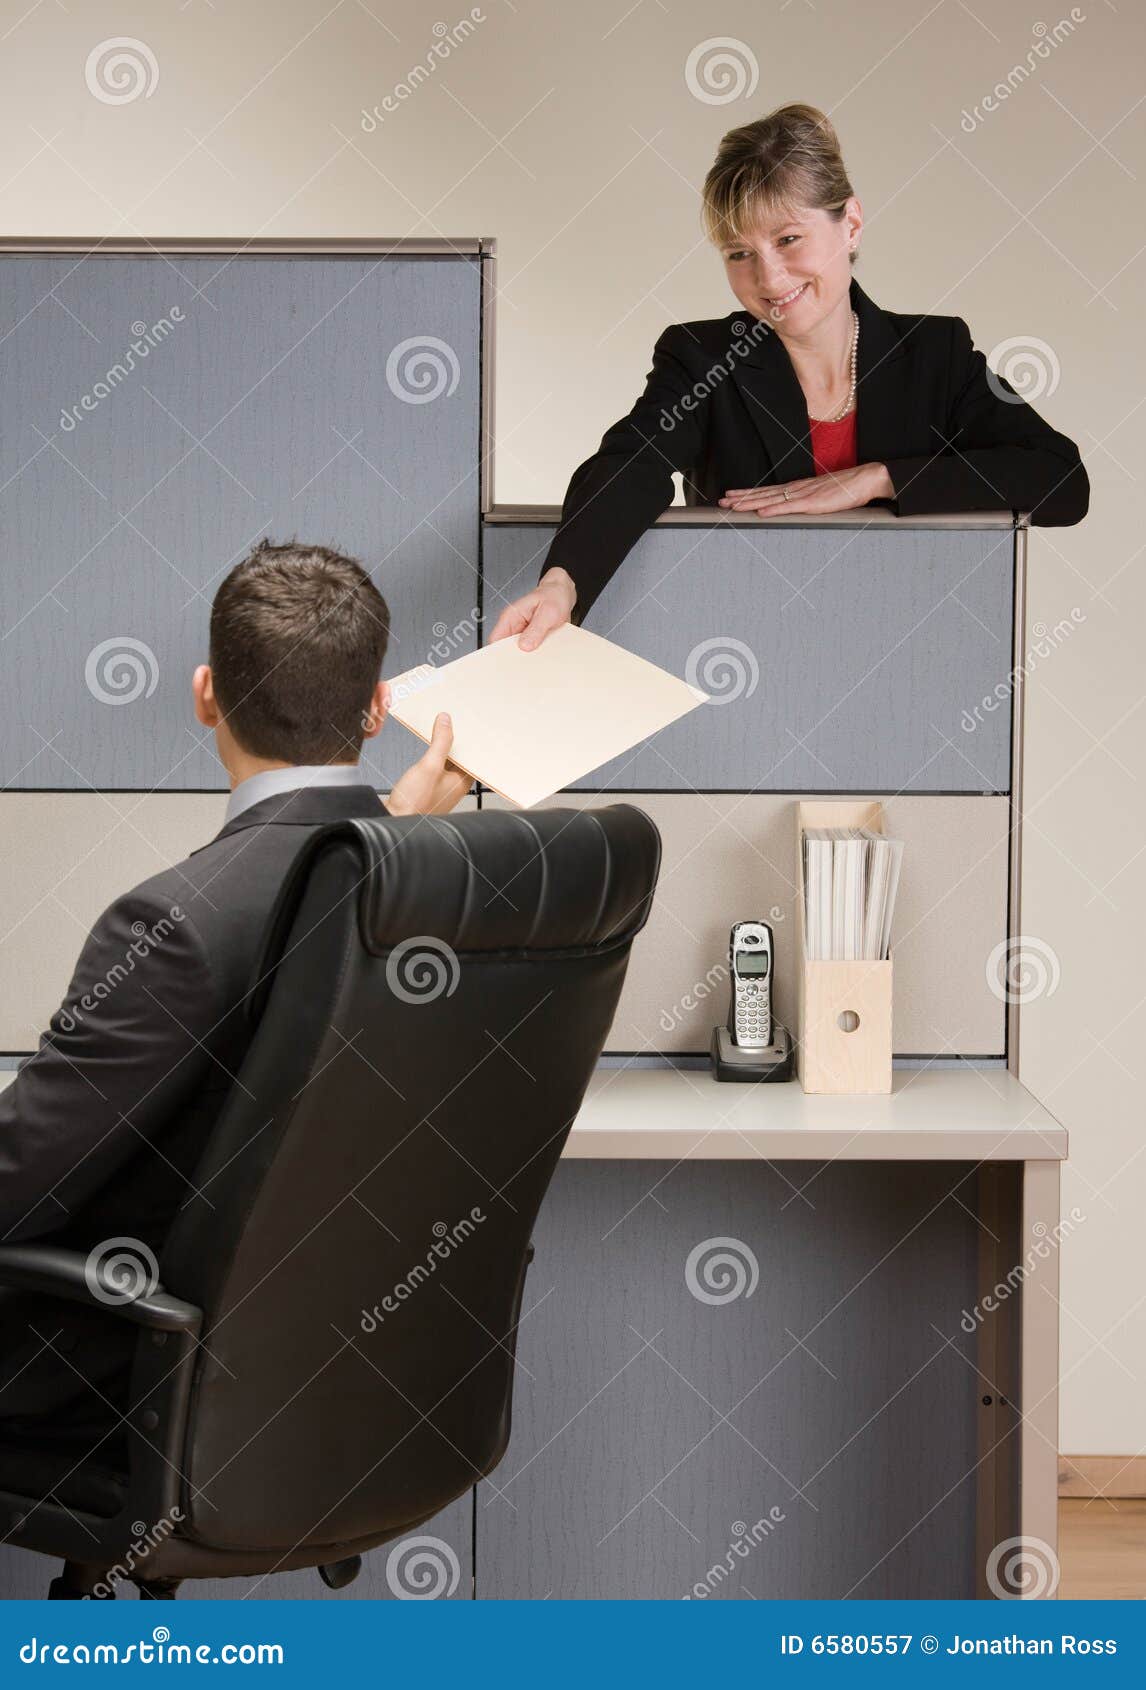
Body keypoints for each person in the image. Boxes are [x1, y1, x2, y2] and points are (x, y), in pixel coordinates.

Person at [0, 539, 471, 1445]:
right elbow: (314, 919)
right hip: (340, 1378)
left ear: (206, 694)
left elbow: (13, 1186)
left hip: (119, 1375)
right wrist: (401, 828)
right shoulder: (440, 892)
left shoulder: (175, 926)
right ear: (378, 709)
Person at [490, 102, 1090, 649]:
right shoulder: (704, 357)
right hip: (743, 660)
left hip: (909, 662)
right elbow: (633, 462)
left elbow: (1061, 480)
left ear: (850, 224)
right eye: (739, 253)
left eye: (789, 239)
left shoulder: (936, 353)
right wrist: (563, 582)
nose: (770, 279)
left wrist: (880, 479)